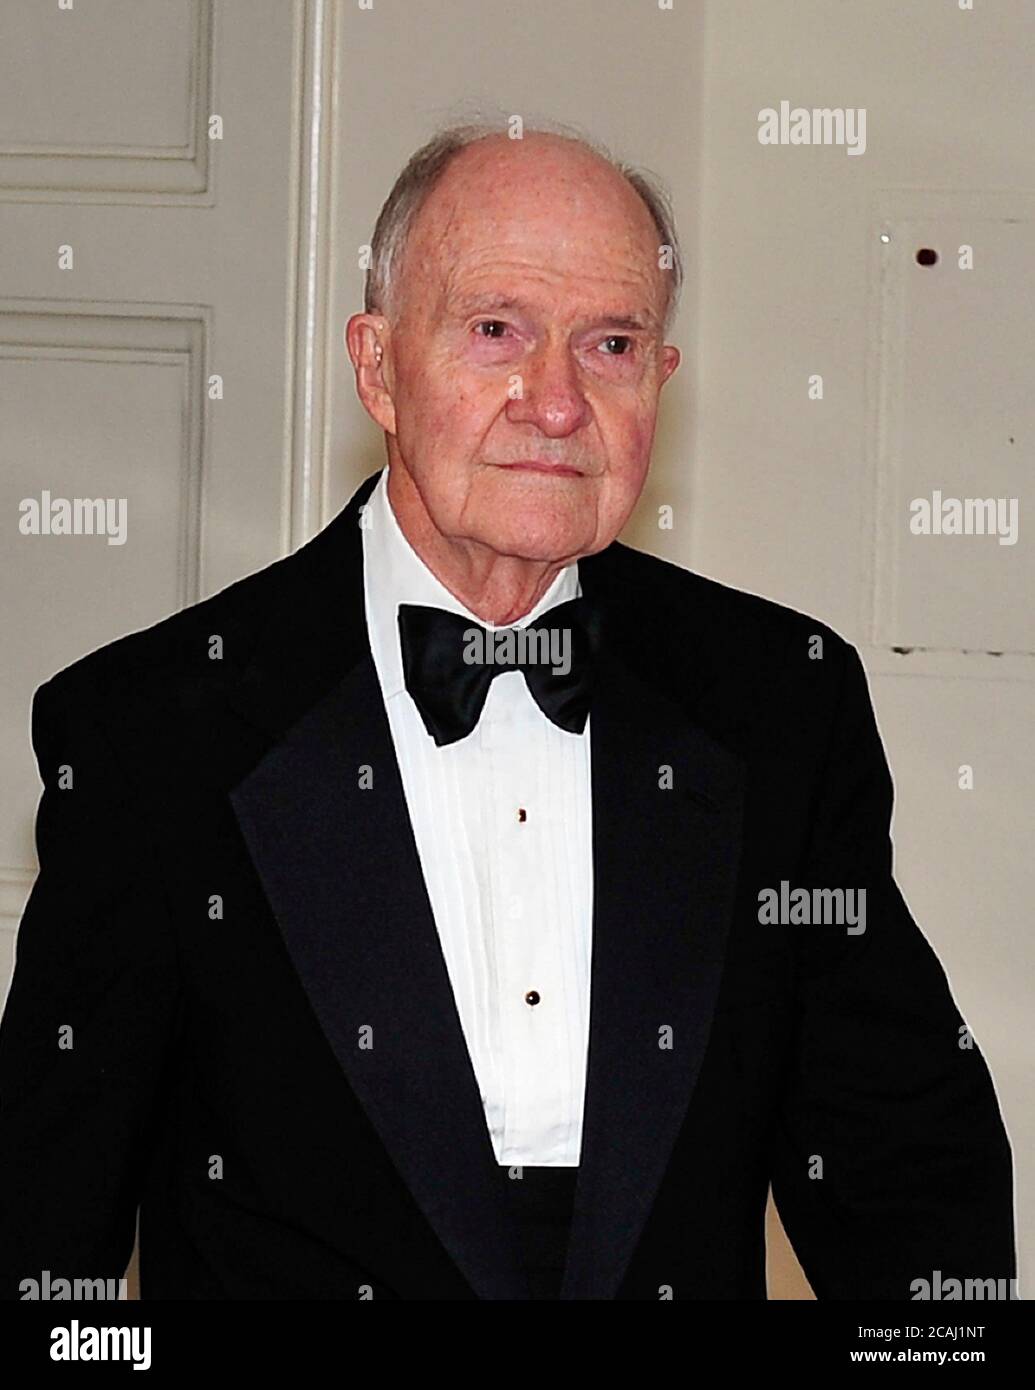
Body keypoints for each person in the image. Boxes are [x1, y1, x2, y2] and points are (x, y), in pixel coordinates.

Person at [0, 122, 1015, 1300]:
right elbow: (42, 1221)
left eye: (612, 343)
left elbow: (906, 1161)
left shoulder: (781, 701)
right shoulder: (154, 731)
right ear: (377, 367)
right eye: (497, 332)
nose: (557, 402)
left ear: (662, 384)